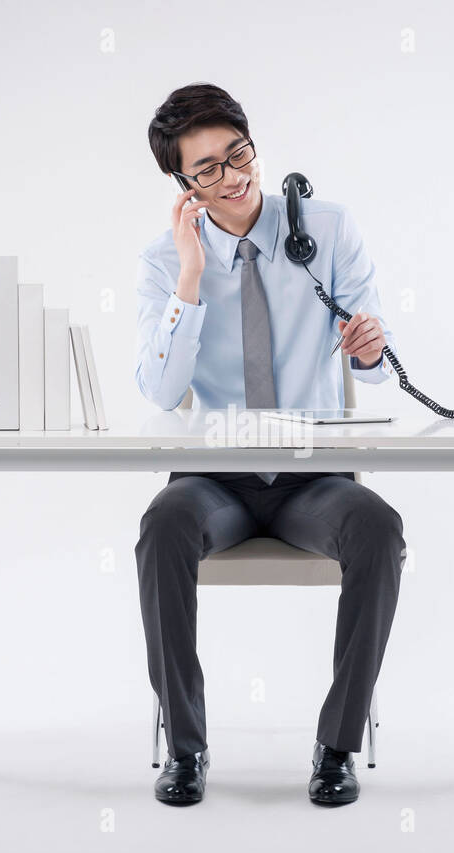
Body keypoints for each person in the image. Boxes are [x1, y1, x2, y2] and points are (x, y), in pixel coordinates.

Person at [134, 82, 407, 807]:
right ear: (183, 185)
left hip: (311, 479)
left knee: (378, 525)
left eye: (238, 154)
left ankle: (337, 746)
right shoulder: (166, 261)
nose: (232, 177)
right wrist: (193, 276)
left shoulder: (325, 227)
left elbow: (373, 369)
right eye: (207, 170)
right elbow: (160, 392)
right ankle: (185, 749)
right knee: (163, 524)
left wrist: (370, 347)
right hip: (215, 481)